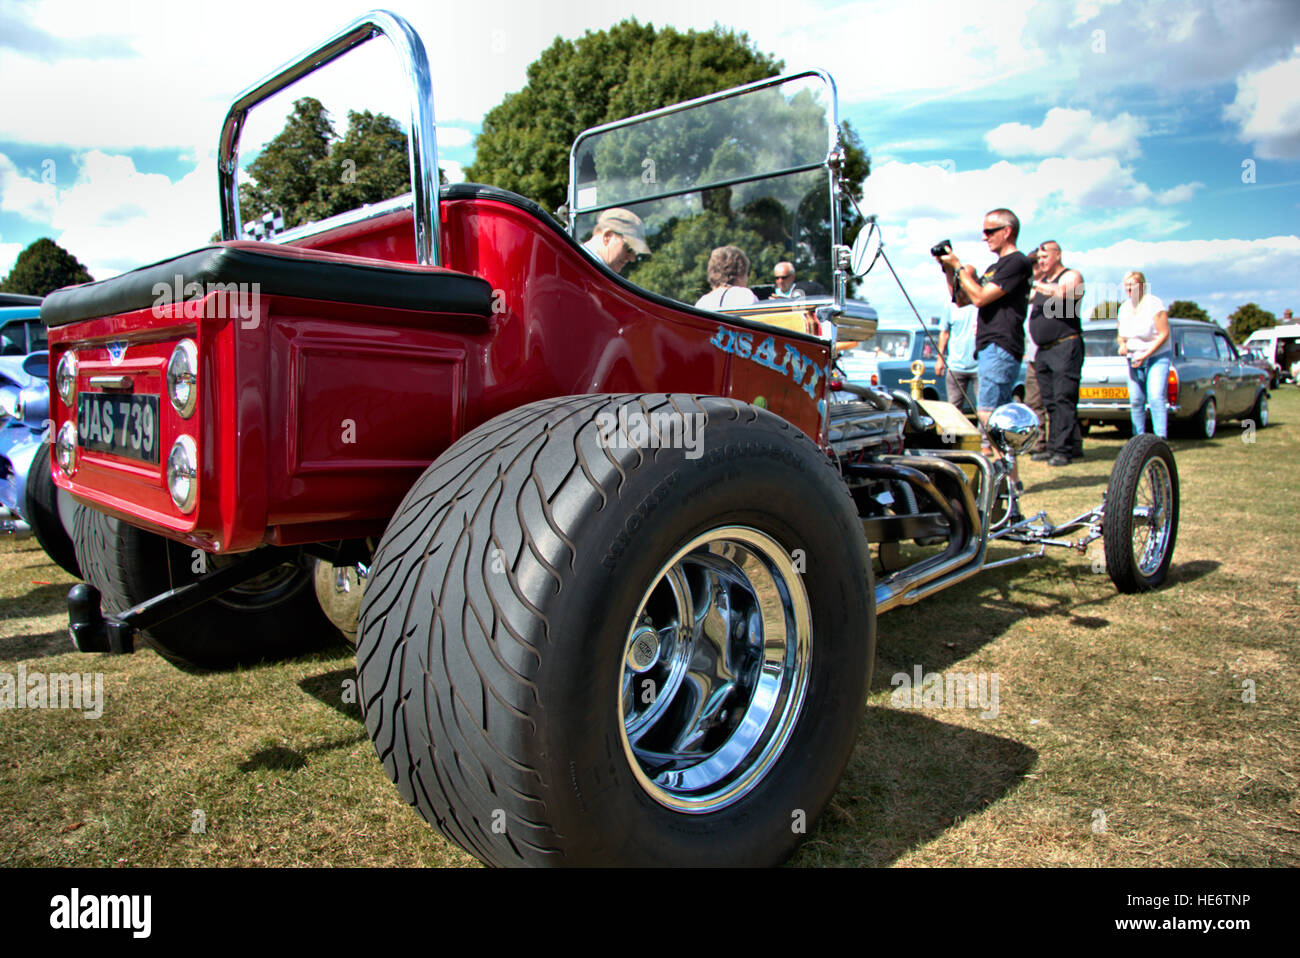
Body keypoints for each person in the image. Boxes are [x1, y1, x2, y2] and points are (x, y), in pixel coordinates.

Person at [938, 209, 1033, 481]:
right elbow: (962, 299)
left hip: (1001, 345)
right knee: (997, 416)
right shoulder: (995, 268)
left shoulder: (1017, 262)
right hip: (990, 347)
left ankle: (1007, 479)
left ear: (1008, 231)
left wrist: (958, 265)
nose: (984, 237)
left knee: (990, 415)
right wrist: (948, 270)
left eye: (990, 231)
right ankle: (1011, 480)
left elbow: (979, 298)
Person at [1029, 240, 1086, 465]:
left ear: (1058, 255)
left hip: (1065, 345)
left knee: (1064, 399)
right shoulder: (1041, 282)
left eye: (1045, 257)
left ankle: (1063, 451)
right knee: (1049, 401)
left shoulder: (1070, 276)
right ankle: (1055, 447)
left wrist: (1035, 285)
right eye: (1039, 258)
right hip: (1044, 351)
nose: (1041, 261)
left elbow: (1065, 294)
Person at [1116, 270, 1171, 437]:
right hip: (1133, 358)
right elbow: (1121, 335)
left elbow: (1163, 334)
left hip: (1156, 357)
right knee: (1136, 400)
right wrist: (1122, 345)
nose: (1129, 288)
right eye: (1126, 285)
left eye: (1132, 284)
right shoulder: (1124, 308)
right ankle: (1138, 439)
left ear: (1142, 286)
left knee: (1155, 397)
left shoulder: (1154, 304)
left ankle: (1160, 438)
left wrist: (1146, 354)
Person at [1022, 246, 1050, 460]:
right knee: (1034, 402)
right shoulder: (1029, 293)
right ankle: (1039, 443)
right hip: (1033, 356)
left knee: (1058, 401)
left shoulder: (1053, 288)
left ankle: (1064, 446)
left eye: (1037, 263)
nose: (1034, 268)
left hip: (1053, 353)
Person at [582, 208, 650, 275]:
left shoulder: (588, 268)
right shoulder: (584, 269)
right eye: (629, 249)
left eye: (635, 252)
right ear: (607, 237)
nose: (632, 258)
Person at [937, 301, 978, 409]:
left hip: (980, 366)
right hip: (955, 366)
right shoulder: (950, 304)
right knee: (954, 410)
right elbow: (944, 333)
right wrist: (940, 359)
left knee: (984, 410)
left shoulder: (982, 301)